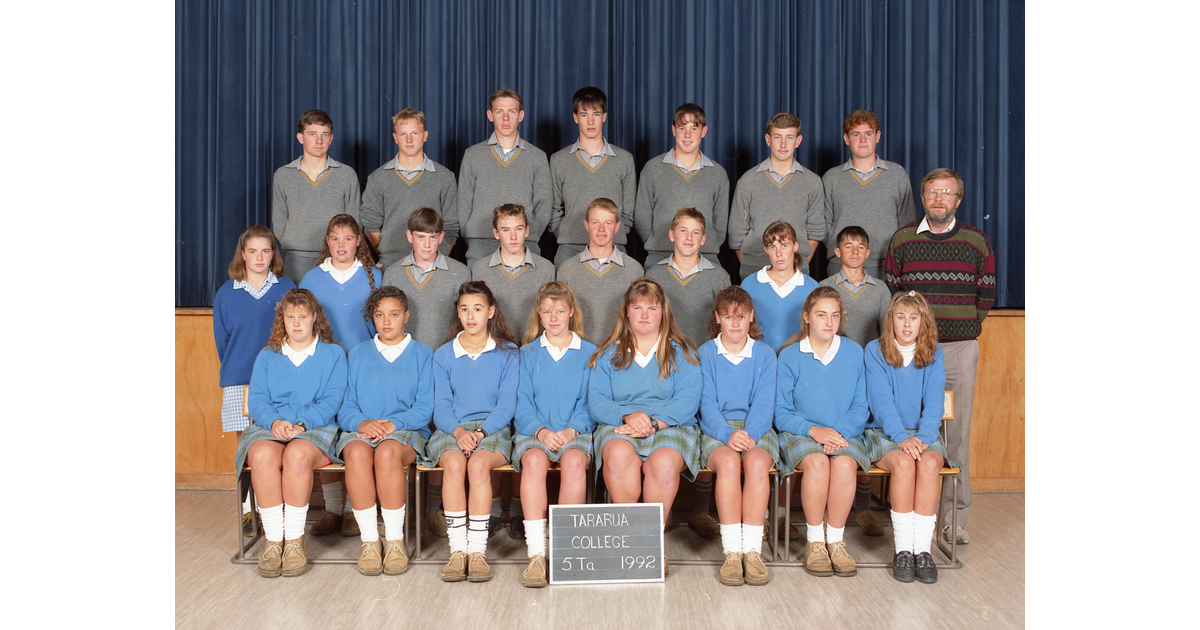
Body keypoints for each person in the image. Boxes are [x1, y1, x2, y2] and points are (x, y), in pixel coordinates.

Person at [885, 167, 995, 547]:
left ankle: (952, 520)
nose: (939, 200)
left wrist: (962, 328)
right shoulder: (902, 240)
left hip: (959, 350)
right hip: (912, 353)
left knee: (955, 437)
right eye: (932, 193)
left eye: (946, 193)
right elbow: (893, 290)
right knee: (906, 430)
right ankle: (910, 516)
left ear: (958, 200)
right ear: (923, 197)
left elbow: (987, 293)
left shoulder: (975, 241)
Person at [588, 277, 702, 577]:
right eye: (637, 308)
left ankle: (651, 544)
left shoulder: (683, 351)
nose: (644, 315)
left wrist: (654, 422)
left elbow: (688, 401)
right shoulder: (608, 353)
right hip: (621, 426)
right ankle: (629, 543)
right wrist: (626, 415)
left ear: (663, 312)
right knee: (617, 456)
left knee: (663, 463)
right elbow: (597, 402)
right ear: (626, 312)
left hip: (671, 426)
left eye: (652, 308)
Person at [234, 289, 348, 578]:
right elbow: (258, 399)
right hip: (270, 426)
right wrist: (274, 422)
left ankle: (295, 541)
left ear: (314, 318)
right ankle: (274, 541)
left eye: (302, 317)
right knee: (260, 454)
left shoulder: (333, 353)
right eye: (290, 317)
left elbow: (333, 399)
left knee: (296, 454)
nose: (296, 323)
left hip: (315, 427)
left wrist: (303, 425)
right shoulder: (268, 355)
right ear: (281, 320)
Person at [336, 286, 434, 576]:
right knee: (354, 452)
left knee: (388, 452)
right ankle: (369, 541)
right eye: (379, 315)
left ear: (406, 316)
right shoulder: (357, 354)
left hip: (405, 431)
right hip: (364, 430)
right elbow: (345, 406)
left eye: (393, 314)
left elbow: (425, 407)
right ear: (372, 318)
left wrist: (393, 425)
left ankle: (393, 540)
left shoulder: (423, 354)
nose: (386, 321)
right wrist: (361, 424)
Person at [774, 286, 869, 578]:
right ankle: (815, 542)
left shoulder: (854, 353)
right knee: (816, 464)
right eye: (821, 315)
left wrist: (836, 433)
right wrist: (815, 431)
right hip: (802, 432)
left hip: (843, 432)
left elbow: (861, 406)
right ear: (806, 318)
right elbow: (781, 411)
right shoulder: (789, 356)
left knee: (843, 464)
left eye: (835, 315)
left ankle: (836, 541)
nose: (829, 322)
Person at [428, 281, 519, 583]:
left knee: (478, 465)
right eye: (464, 309)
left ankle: (477, 552)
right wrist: (457, 432)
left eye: (478, 309)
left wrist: (480, 433)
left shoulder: (508, 353)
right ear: (457, 312)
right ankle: (458, 552)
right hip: (451, 429)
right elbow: (440, 406)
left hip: (491, 429)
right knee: (454, 464)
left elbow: (506, 405)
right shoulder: (443, 355)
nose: (471, 315)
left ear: (491, 311)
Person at [299, 214, 381, 537]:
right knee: (327, 431)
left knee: (355, 434)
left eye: (348, 238)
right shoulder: (311, 278)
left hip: (363, 370)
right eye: (335, 239)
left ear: (359, 241)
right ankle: (333, 508)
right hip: (325, 368)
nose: (341, 245)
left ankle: (351, 511)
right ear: (327, 242)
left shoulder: (374, 275)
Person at [863, 290, 954, 584]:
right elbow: (881, 402)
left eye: (913, 318)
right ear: (891, 320)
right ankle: (903, 549)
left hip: (922, 433)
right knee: (903, 464)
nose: (906, 324)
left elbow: (934, 400)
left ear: (922, 322)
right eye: (900, 317)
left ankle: (922, 551)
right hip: (885, 431)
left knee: (928, 465)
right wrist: (902, 437)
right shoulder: (874, 351)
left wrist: (926, 438)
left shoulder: (934, 351)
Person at [213, 225, 297, 535]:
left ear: (273, 254)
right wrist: (238, 370)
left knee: (276, 444)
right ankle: (250, 511)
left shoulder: (286, 287)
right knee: (247, 450)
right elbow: (223, 341)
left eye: (266, 250)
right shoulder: (227, 293)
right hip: (240, 381)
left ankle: (273, 509)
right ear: (243, 255)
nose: (259, 257)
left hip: (279, 380)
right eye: (252, 251)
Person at [512, 282, 597, 587]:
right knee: (534, 463)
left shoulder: (589, 352)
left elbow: (590, 402)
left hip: (575, 432)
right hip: (535, 431)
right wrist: (541, 430)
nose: (554, 316)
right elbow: (521, 402)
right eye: (547, 311)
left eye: (560, 310)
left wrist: (571, 430)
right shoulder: (527, 353)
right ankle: (536, 553)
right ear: (539, 313)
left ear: (572, 312)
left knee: (574, 463)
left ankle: (565, 550)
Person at [697, 286, 778, 587]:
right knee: (729, 465)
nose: (734, 323)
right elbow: (705, 404)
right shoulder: (705, 353)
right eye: (728, 316)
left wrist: (752, 433)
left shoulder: (765, 355)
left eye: (741, 316)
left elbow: (764, 403)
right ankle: (732, 551)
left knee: (757, 464)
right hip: (716, 427)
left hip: (756, 427)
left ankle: (752, 552)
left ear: (751, 317)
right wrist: (726, 433)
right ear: (717, 317)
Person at [819, 224, 891, 535]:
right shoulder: (825, 287)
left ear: (868, 252)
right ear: (837, 252)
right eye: (848, 245)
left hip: (869, 370)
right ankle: (824, 512)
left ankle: (862, 509)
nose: (855, 251)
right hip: (834, 370)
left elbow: (887, 334)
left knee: (857, 434)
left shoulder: (880, 290)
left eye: (861, 246)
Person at [458, 88, 552, 266]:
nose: (506, 118)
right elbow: (463, 202)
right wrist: (472, 234)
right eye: (499, 112)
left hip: (524, 244)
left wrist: (532, 234)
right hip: (480, 244)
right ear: (490, 115)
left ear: (521, 115)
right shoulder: (472, 155)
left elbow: (544, 202)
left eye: (512, 111)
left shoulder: (537, 156)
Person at [728, 112, 825, 280]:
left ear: (798, 141)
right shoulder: (748, 181)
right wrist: (751, 265)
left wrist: (796, 265)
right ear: (768, 139)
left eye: (789, 137)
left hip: (796, 270)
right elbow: (736, 234)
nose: (783, 144)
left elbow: (815, 232)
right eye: (777, 137)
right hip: (754, 268)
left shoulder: (812, 182)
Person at [548, 86, 637, 266]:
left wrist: (615, 235)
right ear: (575, 117)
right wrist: (568, 234)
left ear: (604, 116)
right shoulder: (559, 160)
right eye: (584, 115)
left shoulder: (624, 160)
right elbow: (553, 209)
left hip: (614, 248)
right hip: (570, 250)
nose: (590, 121)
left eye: (596, 114)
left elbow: (628, 212)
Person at [822, 110, 915, 279]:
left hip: (886, 264)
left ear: (877, 136)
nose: (863, 140)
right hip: (841, 265)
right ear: (847, 139)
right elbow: (824, 223)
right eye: (856, 134)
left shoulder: (897, 174)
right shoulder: (832, 178)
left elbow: (907, 223)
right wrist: (841, 251)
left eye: (868, 134)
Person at [360, 108, 458, 270]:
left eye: (415, 133)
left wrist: (434, 256)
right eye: (403, 134)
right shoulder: (378, 178)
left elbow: (451, 226)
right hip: (391, 263)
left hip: (433, 265)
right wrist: (389, 252)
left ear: (425, 136)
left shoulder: (445, 177)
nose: (409, 140)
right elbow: (370, 225)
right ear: (395, 138)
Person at [634, 103, 730, 268]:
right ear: (673, 130)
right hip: (659, 257)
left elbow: (720, 224)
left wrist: (707, 246)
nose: (687, 135)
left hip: (705, 257)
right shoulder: (653, 168)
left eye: (694, 128)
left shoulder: (718, 174)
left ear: (704, 132)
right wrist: (657, 243)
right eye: (682, 128)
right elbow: (642, 215)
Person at [271, 109, 361, 283]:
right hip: (295, 260)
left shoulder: (346, 175)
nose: (319, 141)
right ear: (300, 137)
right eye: (312, 134)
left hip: (335, 258)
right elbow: (279, 219)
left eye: (325, 135)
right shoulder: (283, 175)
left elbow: (354, 221)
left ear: (331, 138)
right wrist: (294, 241)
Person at [555, 198, 643, 344]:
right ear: (586, 225)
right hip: (578, 353)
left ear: (617, 227)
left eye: (608, 223)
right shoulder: (567, 269)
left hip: (620, 354)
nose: (601, 229)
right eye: (595, 222)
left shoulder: (634, 269)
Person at [381, 207, 471, 350]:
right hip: (405, 355)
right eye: (420, 237)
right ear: (409, 236)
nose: (427, 244)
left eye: (433, 237)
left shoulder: (460, 272)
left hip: (446, 355)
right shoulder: (393, 273)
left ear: (441, 237)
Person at [644, 207, 731, 347]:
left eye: (695, 232)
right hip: (663, 357)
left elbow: (727, 325)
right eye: (683, 230)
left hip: (703, 358)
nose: (689, 237)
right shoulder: (653, 275)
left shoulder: (719, 276)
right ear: (672, 235)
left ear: (703, 239)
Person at [469, 203, 556, 342]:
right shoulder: (480, 269)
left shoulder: (546, 269)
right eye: (506, 230)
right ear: (496, 233)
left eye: (519, 229)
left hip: (534, 348)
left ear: (527, 231)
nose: (513, 236)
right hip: (495, 350)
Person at [740, 220, 818, 352]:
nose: (779, 253)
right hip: (760, 360)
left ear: (795, 246)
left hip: (797, 360)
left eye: (784, 246)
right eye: (772, 247)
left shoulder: (812, 287)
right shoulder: (749, 285)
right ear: (766, 250)